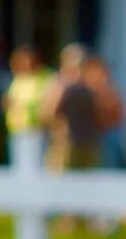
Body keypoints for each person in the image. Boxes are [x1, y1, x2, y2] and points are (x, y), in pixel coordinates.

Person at [41, 44, 103, 174]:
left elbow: (102, 114)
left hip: (88, 142)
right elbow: (47, 112)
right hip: (65, 144)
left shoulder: (88, 85)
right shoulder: (59, 83)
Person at [3, 45, 52, 137]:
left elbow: (47, 103)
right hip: (16, 129)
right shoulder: (19, 79)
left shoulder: (45, 77)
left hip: (35, 129)